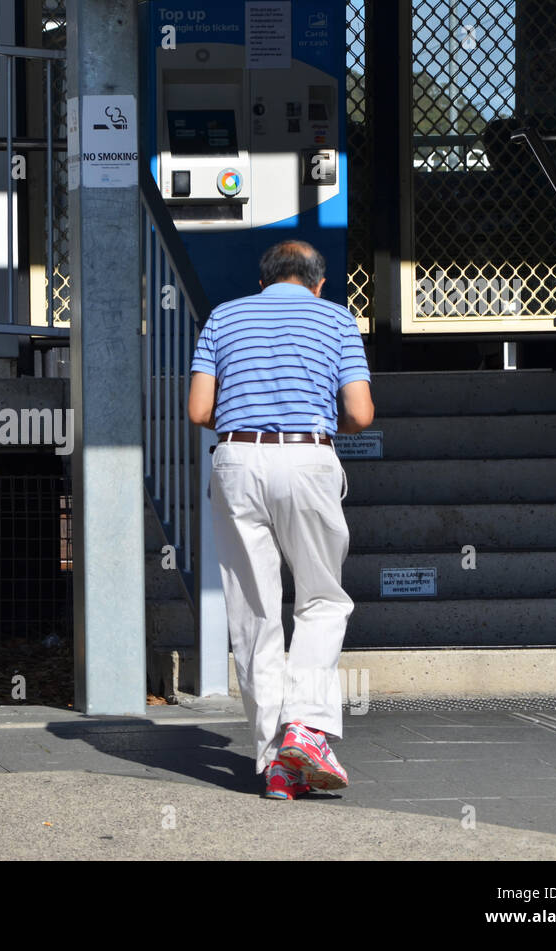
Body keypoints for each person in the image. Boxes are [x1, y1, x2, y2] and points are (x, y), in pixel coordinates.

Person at [187, 240, 374, 801]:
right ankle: (304, 729)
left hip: (237, 460)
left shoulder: (223, 316)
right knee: (322, 599)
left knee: (253, 614)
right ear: (318, 283)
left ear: (263, 280)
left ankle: (276, 763)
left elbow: (199, 411)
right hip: (306, 456)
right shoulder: (336, 318)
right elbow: (361, 413)